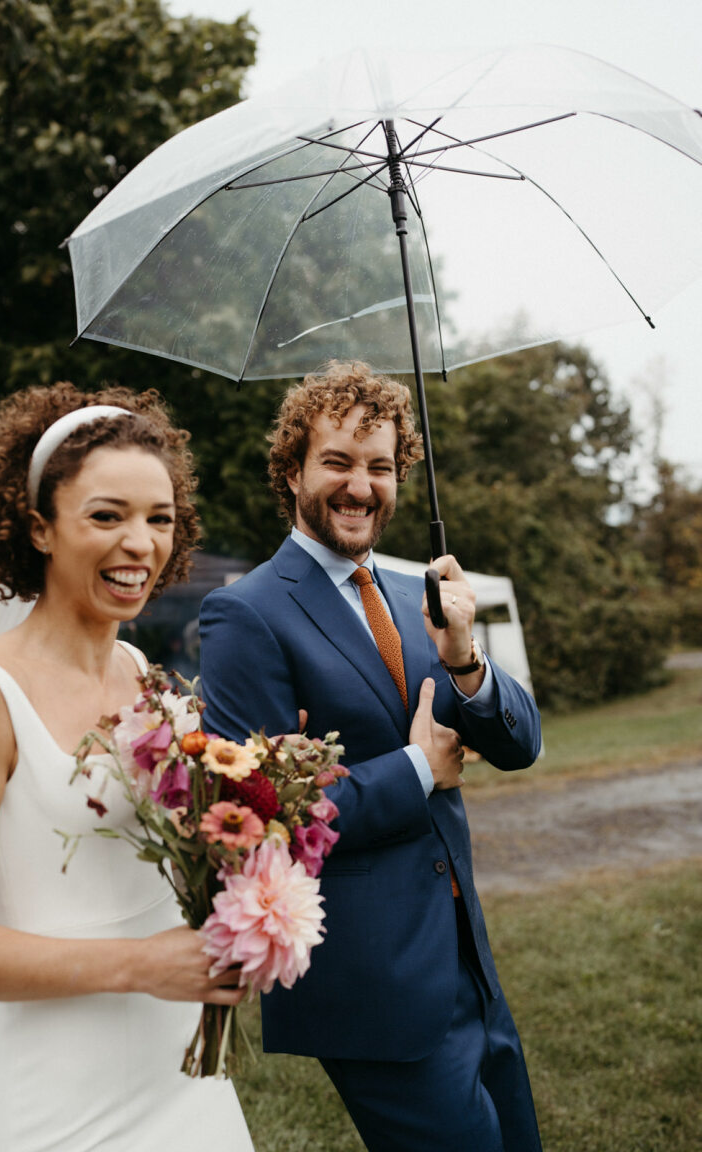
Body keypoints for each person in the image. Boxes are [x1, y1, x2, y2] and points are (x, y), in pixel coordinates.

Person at [199, 360, 544, 1152]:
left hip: (465, 957)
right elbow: (264, 817)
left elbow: (521, 744)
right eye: (338, 462)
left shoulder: (416, 591)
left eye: (381, 466)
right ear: (292, 471)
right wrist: (420, 768)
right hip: (371, 981)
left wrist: (466, 660)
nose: (362, 486)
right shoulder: (244, 614)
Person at [0, 382, 254, 1152]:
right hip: (59, 1101)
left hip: (186, 1076)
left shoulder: (144, 674)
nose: (140, 544)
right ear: (41, 529)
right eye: (106, 516)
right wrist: (138, 964)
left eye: (160, 519)